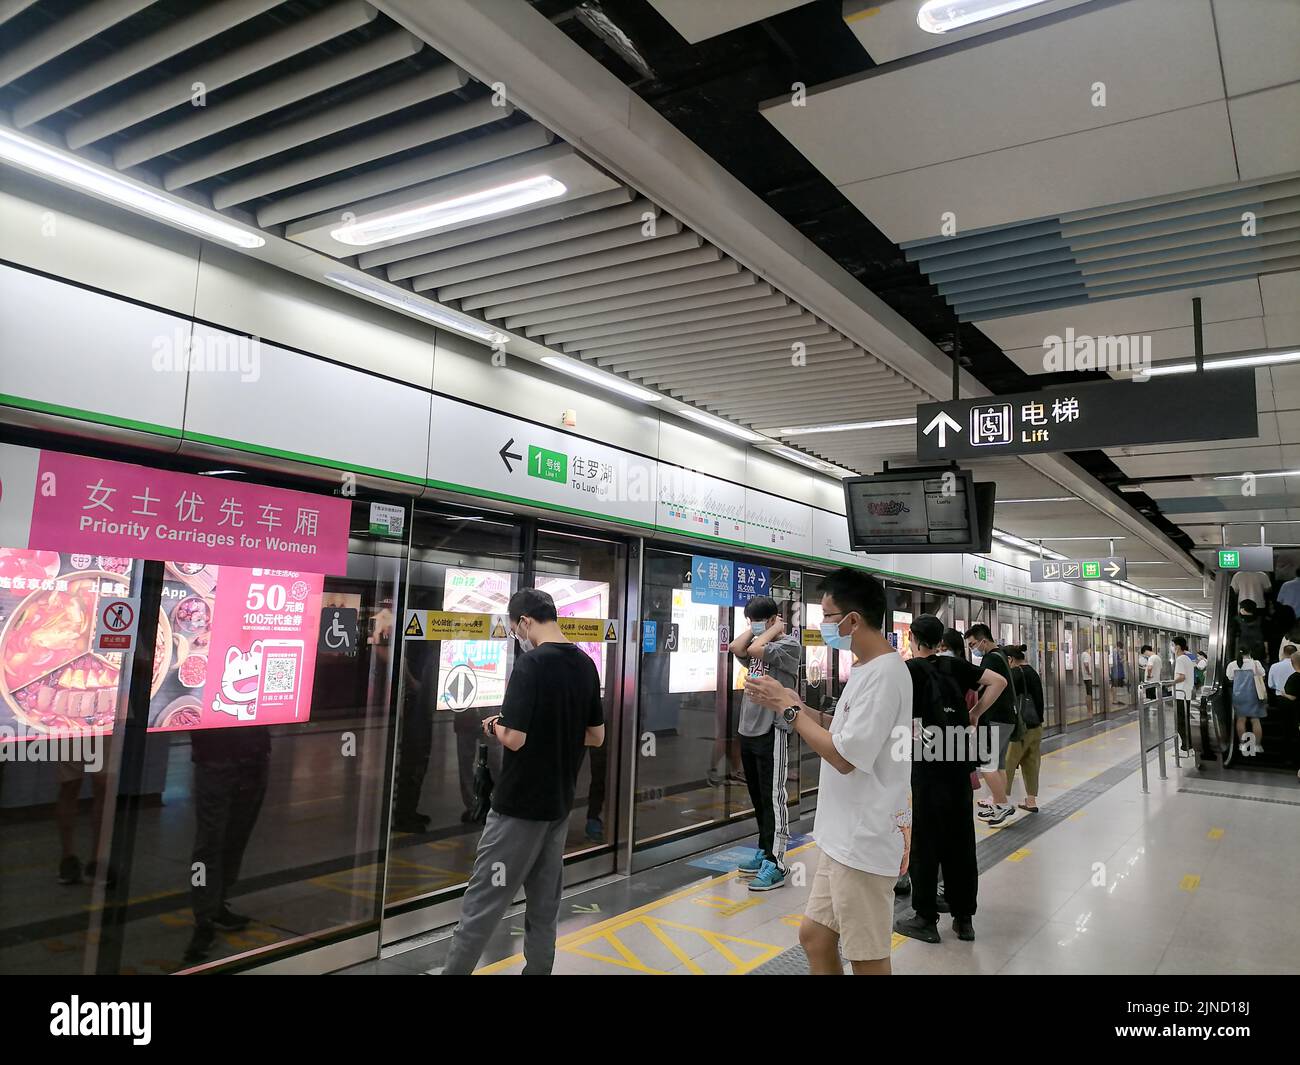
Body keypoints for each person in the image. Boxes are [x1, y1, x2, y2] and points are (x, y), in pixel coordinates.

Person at [745, 568, 912, 975]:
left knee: (867, 957)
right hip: (841, 837)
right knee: (815, 937)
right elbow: (840, 729)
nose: (823, 625)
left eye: (828, 615)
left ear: (853, 619)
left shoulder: (887, 675)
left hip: (863, 841)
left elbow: (844, 756)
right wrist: (795, 704)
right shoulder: (866, 669)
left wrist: (786, 711)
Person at [441, 589, 605, 975]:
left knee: (483, 903)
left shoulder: (530, 665)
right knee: (544, 907)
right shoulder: (585, 664)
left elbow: (515, 737)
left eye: (516, 628)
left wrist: (495, 725)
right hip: (558, 806)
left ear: (526, 622)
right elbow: (596, 736)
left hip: (518, 809)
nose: (519, 635)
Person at [893, 615, 1006, 945]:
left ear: (912, 638)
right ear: (940, 640)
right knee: (960, 839)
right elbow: (998, 681)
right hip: (959, 761)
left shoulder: (909, 671)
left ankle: (926, 918)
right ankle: (963, 918)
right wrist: (974, 713)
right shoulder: (955, 666)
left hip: (927, 761)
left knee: (926, 842)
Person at [727, 595, 800, 891]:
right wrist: (758, 626)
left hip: (772, 728)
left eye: (758, 620)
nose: (753, 626)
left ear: (773, 620)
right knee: (758, 797)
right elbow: (735, 647)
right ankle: (764, 848)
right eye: (749, 622)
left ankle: (777, 862)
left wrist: (773, 628)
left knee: (774, 798)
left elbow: (756, 647)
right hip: (749, 728)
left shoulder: (788, 645)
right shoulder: (760, 642)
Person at [965, 624, 1019, 825]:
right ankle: (999, 805)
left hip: (995, 719)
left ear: (983, 641)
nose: (972, 648)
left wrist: (975, 712)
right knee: (999, 765)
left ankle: (1004, 808)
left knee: (987, 765)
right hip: (1007, 719)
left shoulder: (990, 659)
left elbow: (978, 684)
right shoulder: (1002, 656)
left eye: (973, 644)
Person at [1005, 646, 1044, 814]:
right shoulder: (1033, 672)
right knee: (1032, 764)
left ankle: (1001, 801)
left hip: (1021, 728)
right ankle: (1031, 801)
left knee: (1008, 763)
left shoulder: (1016, 673)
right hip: (1037, 726)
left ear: (1010, 660)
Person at [1224, 648, 1267, 757]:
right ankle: (1257, 745)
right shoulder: (1256, 663)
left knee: (1241, 720)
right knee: (1255, 720)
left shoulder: (1232, 664)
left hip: (1239, 696)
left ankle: (1243, 745)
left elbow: (1230, 678)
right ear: (1250, 652)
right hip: (1253, 695)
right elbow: (1262, 675)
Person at [1171, 636, 1197, 753]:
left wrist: (1170, 683)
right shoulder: (1187, 659)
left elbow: (1181, 677)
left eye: (1172, 645)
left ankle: (1186, 744)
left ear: (1177, 647)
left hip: (1181, 695)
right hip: (1187, 693)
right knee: (1185, 720)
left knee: (1180, 721)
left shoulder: (1180, 659)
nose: (1172, 648)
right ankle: (1189, 743)